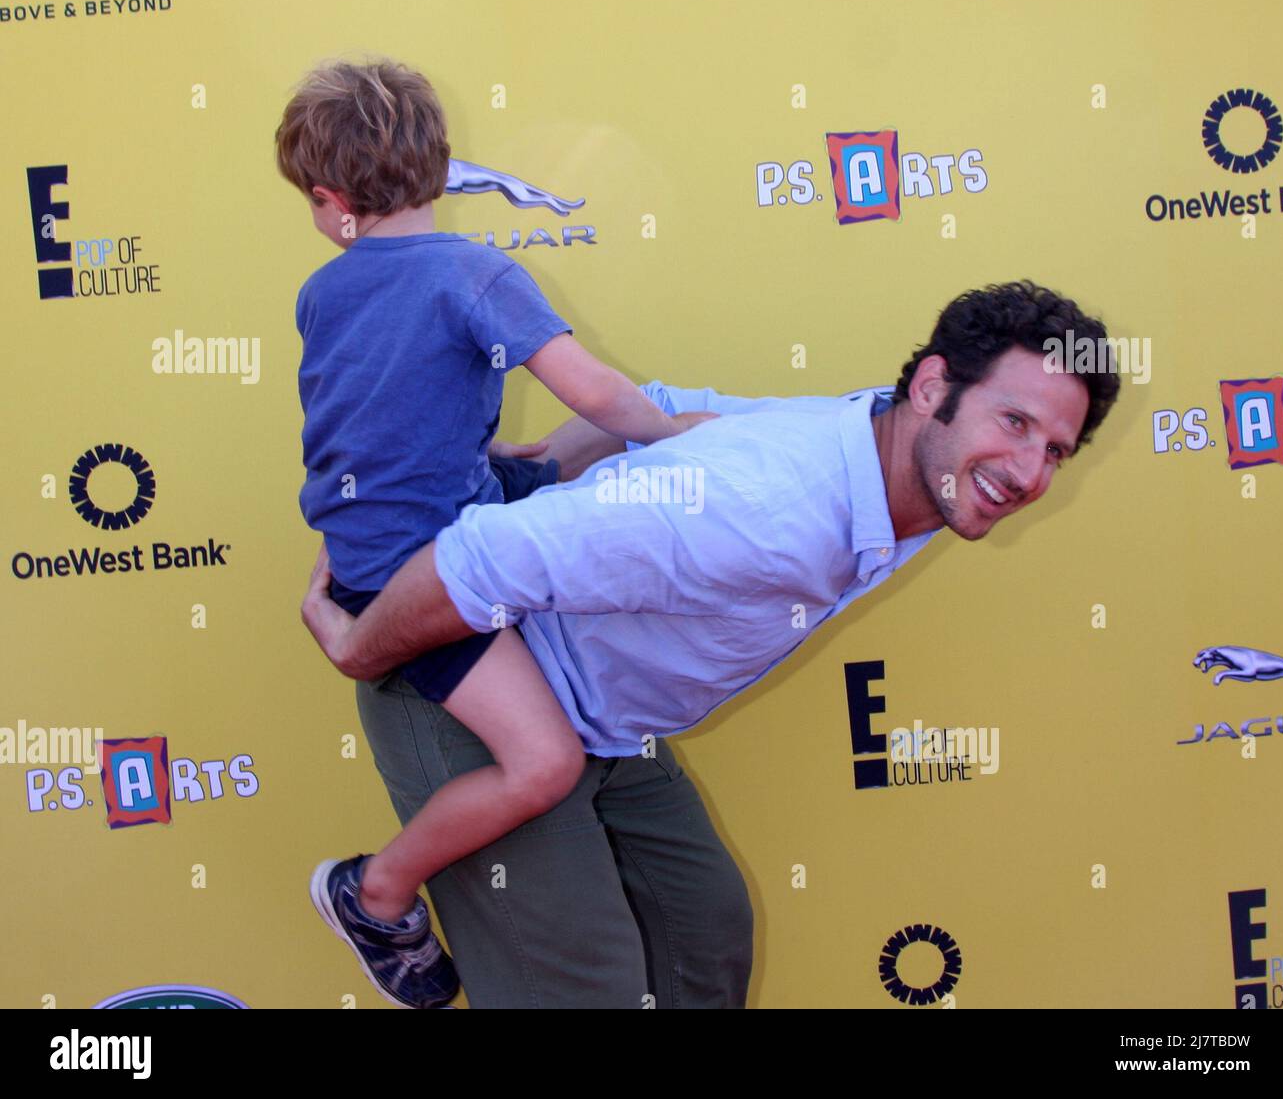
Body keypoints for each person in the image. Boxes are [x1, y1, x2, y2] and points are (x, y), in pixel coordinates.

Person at [300, 281, 1123, 1008]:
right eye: (1013, 421)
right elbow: (477, 562)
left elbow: (662, 408)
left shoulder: (898, 448)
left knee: (706, 935)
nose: (1026, 474)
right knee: (590, 990)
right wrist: (360, 648)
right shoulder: (762, 508)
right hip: (462, 673)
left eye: (1053, 449)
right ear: (933, 385)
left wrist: (542, 463)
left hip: (605, 711)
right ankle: (370, 894)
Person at [275, 56, 714, 1009]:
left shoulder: (324, 289)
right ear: (440, 170)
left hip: (385, 540)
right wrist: (682, 444)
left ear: (328, 200)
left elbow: (370, 415)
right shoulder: (475, 274)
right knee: (546, 763)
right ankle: (377, 891)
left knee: (579, 451)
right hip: (424, 575)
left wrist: (481, 453)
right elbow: (595, 390)